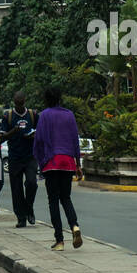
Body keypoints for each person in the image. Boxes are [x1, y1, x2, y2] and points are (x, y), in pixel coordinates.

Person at [33, 86, 83, 250]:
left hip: (52, 162)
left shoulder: (44, 115)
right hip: (68, 161)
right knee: (66, 197)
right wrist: (78, 164)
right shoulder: (69, 115)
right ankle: (74, 225)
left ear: (47, 99)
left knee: (53, 200)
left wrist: (40, 163)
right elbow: (75, 139)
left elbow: (39, 141)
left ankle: (59, 240)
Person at [0, 91, 38, 227]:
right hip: (14, 157)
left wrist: (32, 136)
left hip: (30, 156)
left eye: (21, 103)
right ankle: (21, 217)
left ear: (25, 101)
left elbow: (40, 133)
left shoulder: (33, 115)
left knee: (32, 183)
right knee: (16, 189)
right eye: (17, 103)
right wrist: (13, 131)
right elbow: (2, 137)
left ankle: (29, 208)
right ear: (14, 102)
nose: (20, 106)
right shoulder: (8, 116)